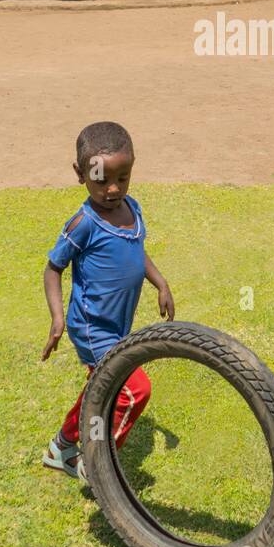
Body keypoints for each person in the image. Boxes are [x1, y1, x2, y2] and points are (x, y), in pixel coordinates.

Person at [41, 121, 174, 477]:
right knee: (133, 390)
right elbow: (53, 268)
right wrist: (56, 319)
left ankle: (61, 446)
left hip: (118, 325)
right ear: (80, 174)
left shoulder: (132, 208)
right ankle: (98, 460)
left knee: (99, 387)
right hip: (92, 327)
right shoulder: (83, 223)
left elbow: (135, 252)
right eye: (101, 180)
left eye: (123, 177)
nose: (113, 189)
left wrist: (159, 282)